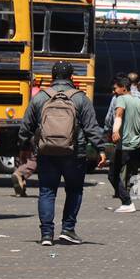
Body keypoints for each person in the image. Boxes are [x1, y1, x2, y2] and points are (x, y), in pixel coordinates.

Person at [17, 61, 108, 246]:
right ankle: (68, 229)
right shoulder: (80, 98)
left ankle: (46, 234)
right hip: (75, 152)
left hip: (46, 152)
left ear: (52, 77)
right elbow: (92, 127)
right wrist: (101, 149)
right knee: (74, 190)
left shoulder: (40, 98)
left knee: (47, 191)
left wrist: (23, 146)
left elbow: (25, 126)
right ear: (72, 77)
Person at [109, 75, 140, 213]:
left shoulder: (120, 99)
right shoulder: (139, 101)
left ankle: (127, 202)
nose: (113, 91)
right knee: (132, 171)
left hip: (124, 145)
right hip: (136, 145)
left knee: (113, 175)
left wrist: (115, 131)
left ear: (123, 88)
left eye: (115, 88)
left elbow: (118, 115)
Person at [11, 77, 42, 197]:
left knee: (23, 158)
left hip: (25, 132)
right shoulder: (40, 95)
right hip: (36, 133)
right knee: (34, 160)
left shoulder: (27, 92)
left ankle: (21, 186)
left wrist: (23, 139)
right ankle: (20, 174)